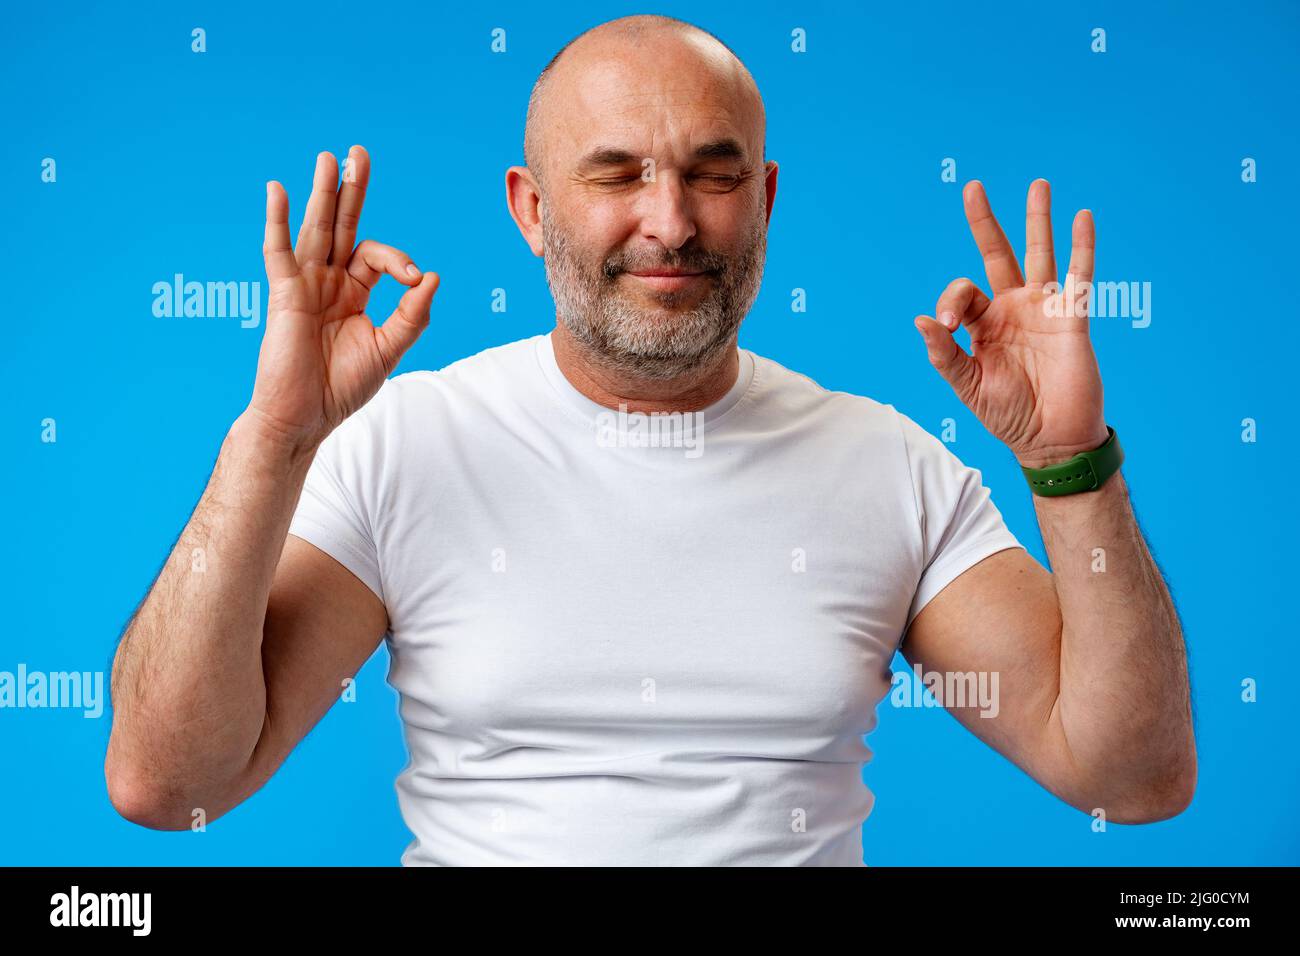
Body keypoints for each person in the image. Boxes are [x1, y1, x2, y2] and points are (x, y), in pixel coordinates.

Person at [105, 14, 1195, 865]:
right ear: (531, 210)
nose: (670, 221)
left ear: (763, 200)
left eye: (713, 174)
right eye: (616, 173)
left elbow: (1128, 778)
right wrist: (275, 439)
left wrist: (1071, 461)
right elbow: (169, 781)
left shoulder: (889, 465)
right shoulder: (406, 445)